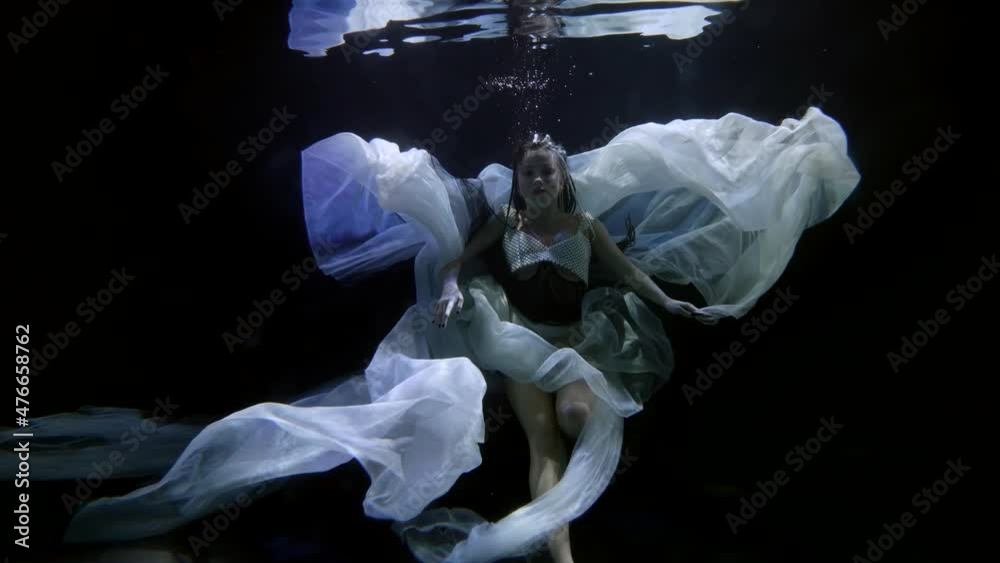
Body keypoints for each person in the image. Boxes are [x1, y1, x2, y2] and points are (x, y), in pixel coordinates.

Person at [3, 107, 860, 563]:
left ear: (559, 173)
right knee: (543, 430)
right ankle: (555, 539)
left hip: (573, 335)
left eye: (544, 170)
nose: (535, 180)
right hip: (507, 335)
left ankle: (551, 525)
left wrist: (679, 308)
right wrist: (451, 288)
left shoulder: (587, 221)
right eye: (528, 171)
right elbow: (467, 264)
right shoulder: (508, 216)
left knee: (571, 416)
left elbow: (625, 274)